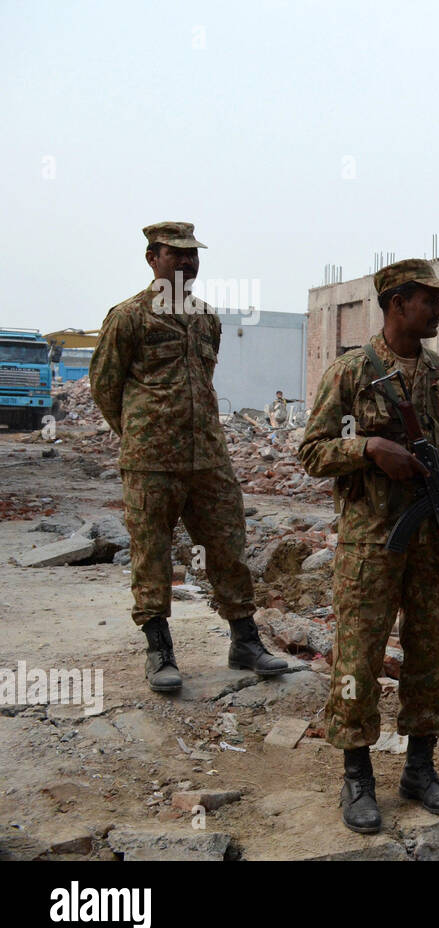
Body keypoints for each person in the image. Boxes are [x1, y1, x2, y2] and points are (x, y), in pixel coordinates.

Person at [298, 257, 439, 833]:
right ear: (398, 303)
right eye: (430, 300)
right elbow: (312, 452)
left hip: (437, 540)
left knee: (432, 653)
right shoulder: (352, 373)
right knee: (358, 656)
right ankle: (356, 776)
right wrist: (369, 449)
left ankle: (420, 769)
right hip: (371, 542)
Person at [89, 222, 288, 692]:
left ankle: (245, 640)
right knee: (152, 554)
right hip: (151, 461)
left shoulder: (205, 318)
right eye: (175, 254)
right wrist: (138, 434)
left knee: (228, 545)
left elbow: (205, 375)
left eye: (192, 255)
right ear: (151, 258)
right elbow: (105, 386)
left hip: (208, 457)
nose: (186, 262)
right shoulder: (128, 317)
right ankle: (159, 650)